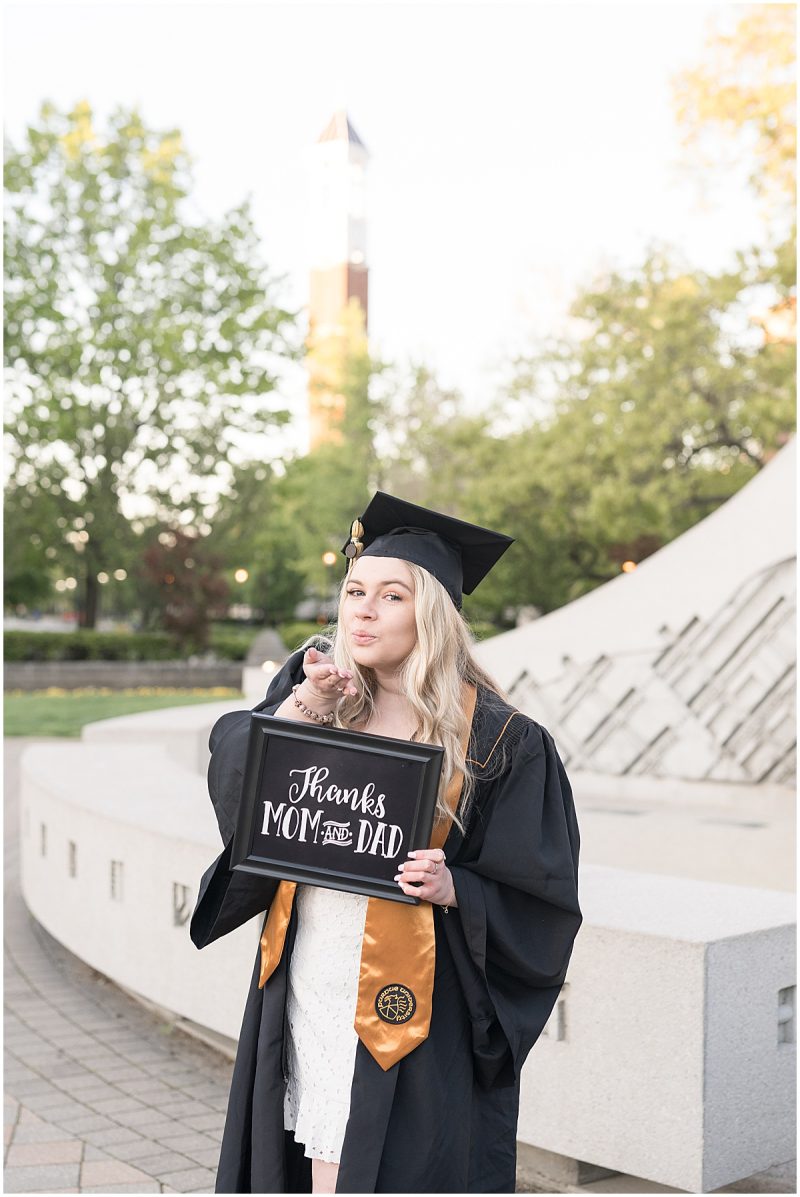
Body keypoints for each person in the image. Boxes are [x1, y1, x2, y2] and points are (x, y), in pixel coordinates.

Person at [190, 492, 583, 1194]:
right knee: (316, 1150)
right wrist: (306, 709)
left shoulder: (500, 740)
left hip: (414, 995)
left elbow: (543, 894)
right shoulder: (317, 690)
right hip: (310, 966)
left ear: (430, 611)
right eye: (354, 590)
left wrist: (458, 886)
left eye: (391, 595)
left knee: (390, 1158)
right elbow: (237, 771)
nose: (362, 611)